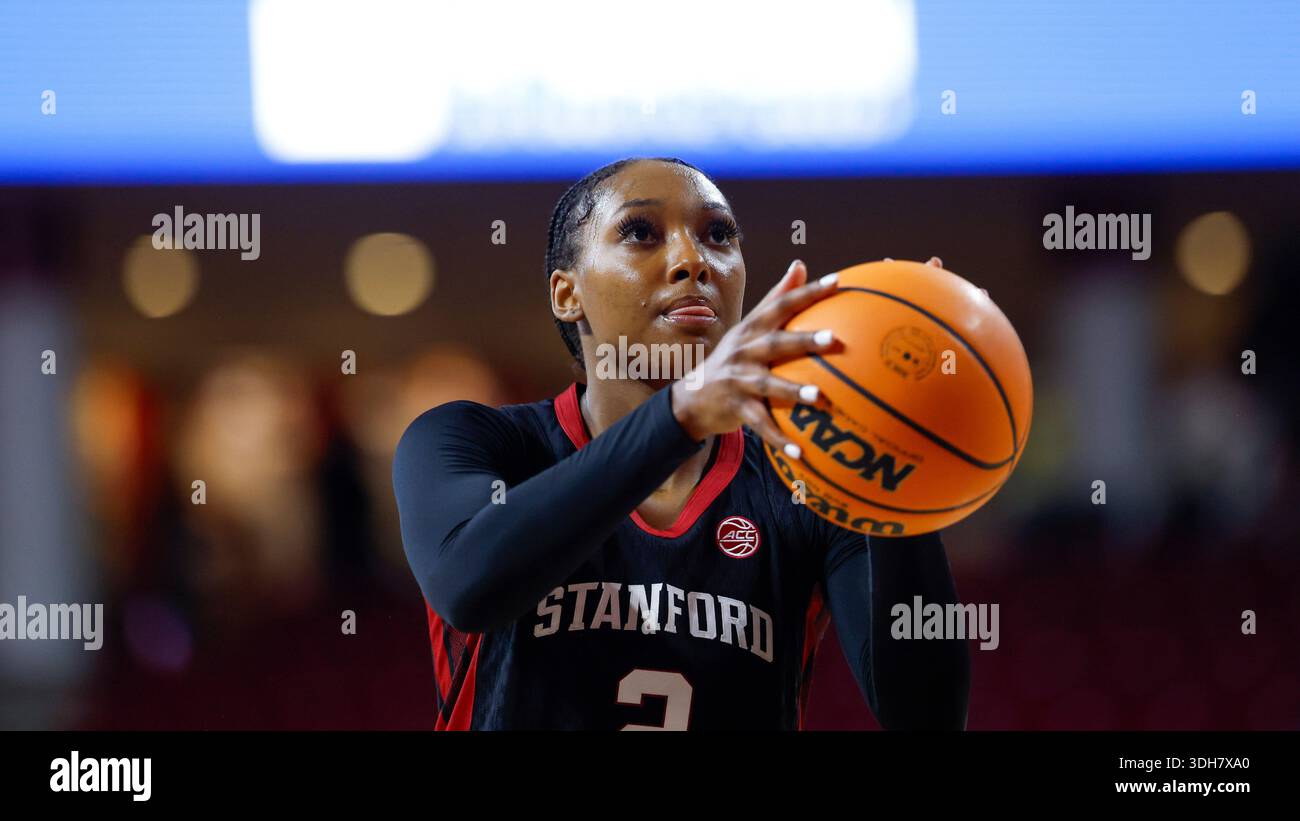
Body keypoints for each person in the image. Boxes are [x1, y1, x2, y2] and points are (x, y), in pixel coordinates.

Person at [393, 157, 970, 730]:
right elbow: (469, 586)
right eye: (640, 233)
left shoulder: (802, 475)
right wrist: (682, 414)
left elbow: (926, 717)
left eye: (718, 235)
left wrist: (896, 468)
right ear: (567, 293)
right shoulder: (470, 439)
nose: (694, 260)